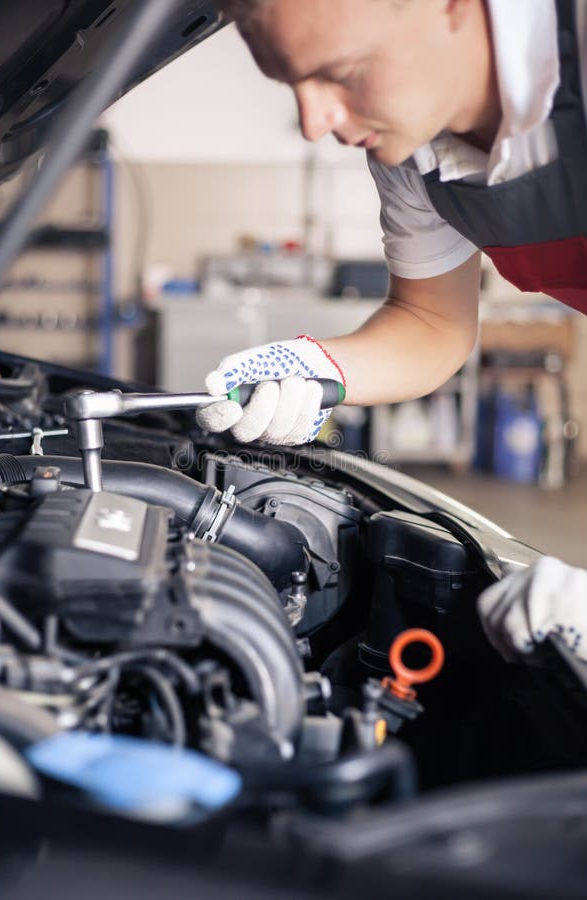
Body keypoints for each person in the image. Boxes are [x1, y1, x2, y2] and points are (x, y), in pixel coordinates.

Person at [197, 0, 587, 663]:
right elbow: (432, 322)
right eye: (293, 83)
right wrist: (313, 366)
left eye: (343, 71)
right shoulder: (415, 150)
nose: (314, 122)